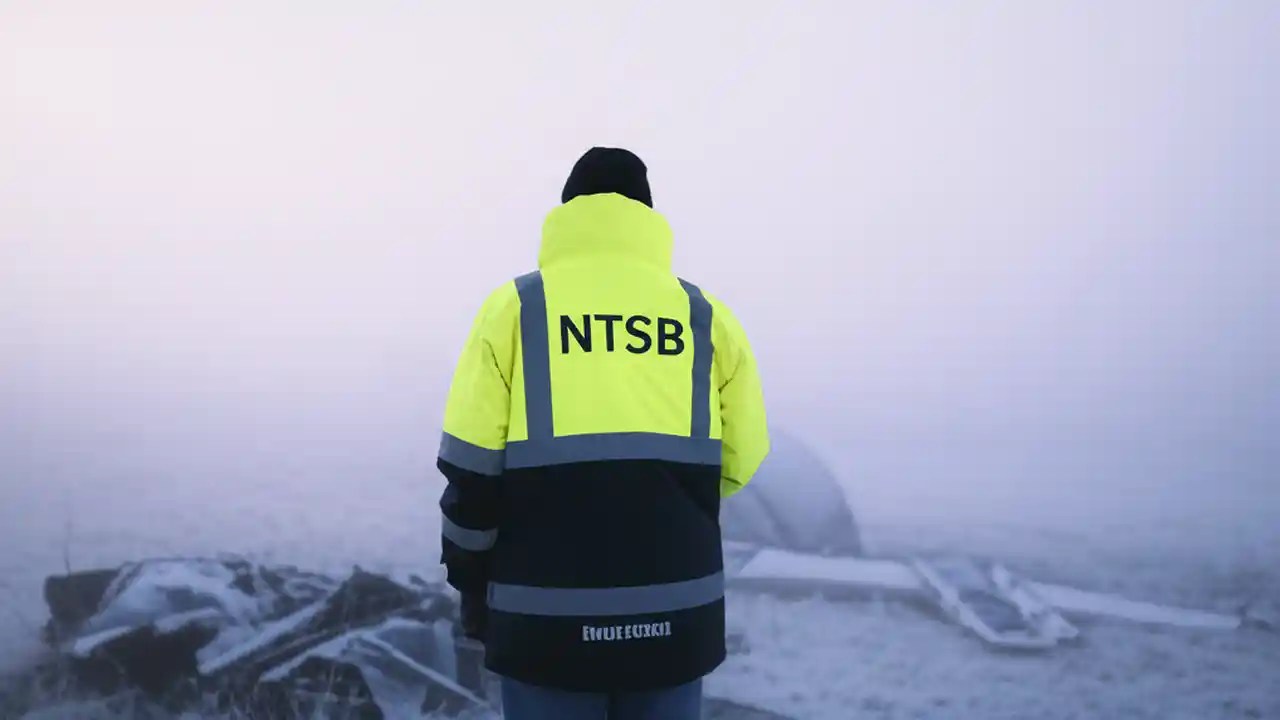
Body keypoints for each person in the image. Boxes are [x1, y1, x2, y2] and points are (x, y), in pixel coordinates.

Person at [435, 147, 769, 719]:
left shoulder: (514, 310)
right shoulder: (706, 317)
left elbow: (470, 471)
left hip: (543, 624)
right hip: (677, 616)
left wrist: (470, 586)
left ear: (567, 215)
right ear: (648, 218)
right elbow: (741, 458)